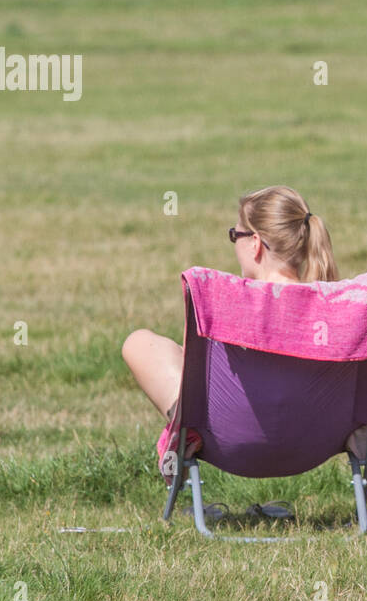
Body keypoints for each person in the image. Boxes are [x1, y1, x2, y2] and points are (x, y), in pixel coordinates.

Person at [122, 186, 340, 463]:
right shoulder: (339, 308)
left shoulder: (229, 301)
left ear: (255, 243)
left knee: (139, 342)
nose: (234, 242)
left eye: (235, 235)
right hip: (319, 439)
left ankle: (184, 427)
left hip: (231, 437)